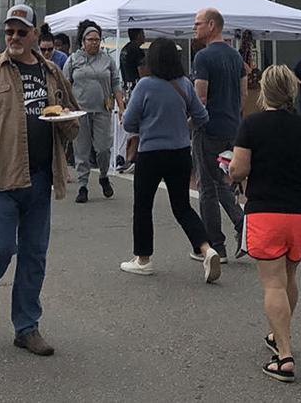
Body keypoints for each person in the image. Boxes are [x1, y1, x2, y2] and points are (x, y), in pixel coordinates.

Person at [0, 3, 79, 358]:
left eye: (21, 32)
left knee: (34, 255)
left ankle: (26, 327)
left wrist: (68, 121)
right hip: (0, 176)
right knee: (0, 248)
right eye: (9, 31)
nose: (14, 37)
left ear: (35, 36)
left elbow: (71, 120)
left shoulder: (52, 73)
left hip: (40, 178)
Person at [227, 64, 301, 384]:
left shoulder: (251, 126)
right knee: (289, 277)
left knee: (272, 284)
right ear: (292, 92)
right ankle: (277, 334)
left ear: (264, 92)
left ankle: (284, 356)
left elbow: (239, 170)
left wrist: (230, 169)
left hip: (267, 212)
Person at [118, 36, 223, 283]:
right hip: (179, 152)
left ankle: (143, 259)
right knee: (182, 206)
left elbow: (129, 122)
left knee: (143, 206)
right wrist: (182, 126)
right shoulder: (184, 84)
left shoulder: (145, 85)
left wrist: (148, 124)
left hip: (151, 153)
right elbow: (202, 116)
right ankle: (207, 249)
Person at [191, 7, 246, 262]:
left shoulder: (203, 57)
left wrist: (192, 121)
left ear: (212, 25)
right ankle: (238, 227)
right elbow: (244, 94)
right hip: (232, 127)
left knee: (208, 187)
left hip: (208, 128)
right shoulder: (236, 57)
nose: (195, 28)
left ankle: (218, 244)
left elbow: (200, 96)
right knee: (224, 179)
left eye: (198, 23)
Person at [65, 20, 120, 204]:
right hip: (80, 111)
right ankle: (83, 186)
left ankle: (104, 176)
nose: (94, 42)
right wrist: (65, 107)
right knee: (81, 149)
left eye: (97, 39)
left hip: (102, 110)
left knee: (103, 149)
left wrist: (121, 106)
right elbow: (65, 85)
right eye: (90, 39)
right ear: (83, 41)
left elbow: (116, 83)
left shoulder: (107, 60)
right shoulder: (73, 60)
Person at [117, 27, 148, 171]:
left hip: (126, 89)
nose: (144, 36)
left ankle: (126, 156)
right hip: (136, 89)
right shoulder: (137, 50)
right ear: (139, 35)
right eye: (143, 34)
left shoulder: (124, 50)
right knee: (137, 126)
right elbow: (142, 71)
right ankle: (131, 157)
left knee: (129, 125)